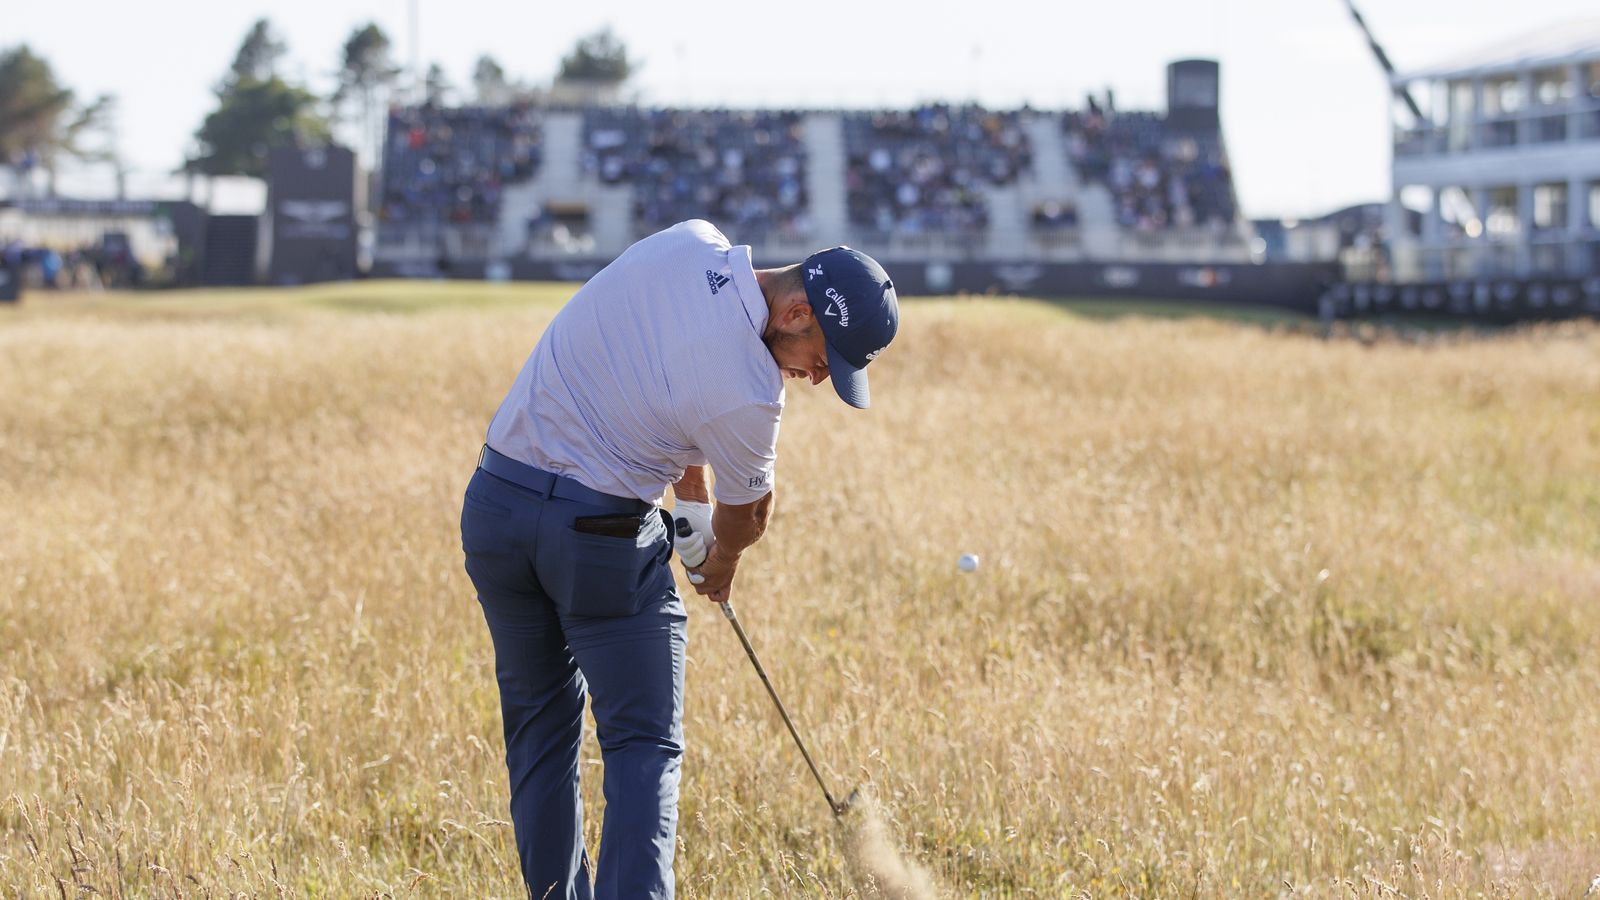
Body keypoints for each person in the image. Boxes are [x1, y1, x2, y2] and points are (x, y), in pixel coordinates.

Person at [459, 219, 898, 899]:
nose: (816, 377)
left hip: (495, 511)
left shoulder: (689, 241)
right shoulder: (753, 391)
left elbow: (665, 369)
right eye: (824, 356)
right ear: (797, 311)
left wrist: (688, 497)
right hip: (594, 539)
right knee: (641, 745)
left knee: (541, 734)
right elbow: (748, 514)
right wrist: (717, 561)